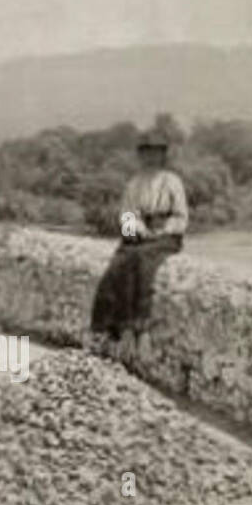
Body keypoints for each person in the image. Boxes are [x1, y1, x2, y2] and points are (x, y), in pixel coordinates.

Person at [89, 129, 189, 357]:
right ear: (141, 156)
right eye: (146, 153)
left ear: (163, 155)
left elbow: (181, 216)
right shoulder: (134, 183)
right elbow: (126, 214)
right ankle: (110, 328)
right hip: (140, 235)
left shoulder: (172, 181)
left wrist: (163, 230)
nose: (151, 158)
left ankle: (140, 326)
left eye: (156, 153)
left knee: (143, 262)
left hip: (166, 236)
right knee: (118, 264)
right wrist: (137, 230)